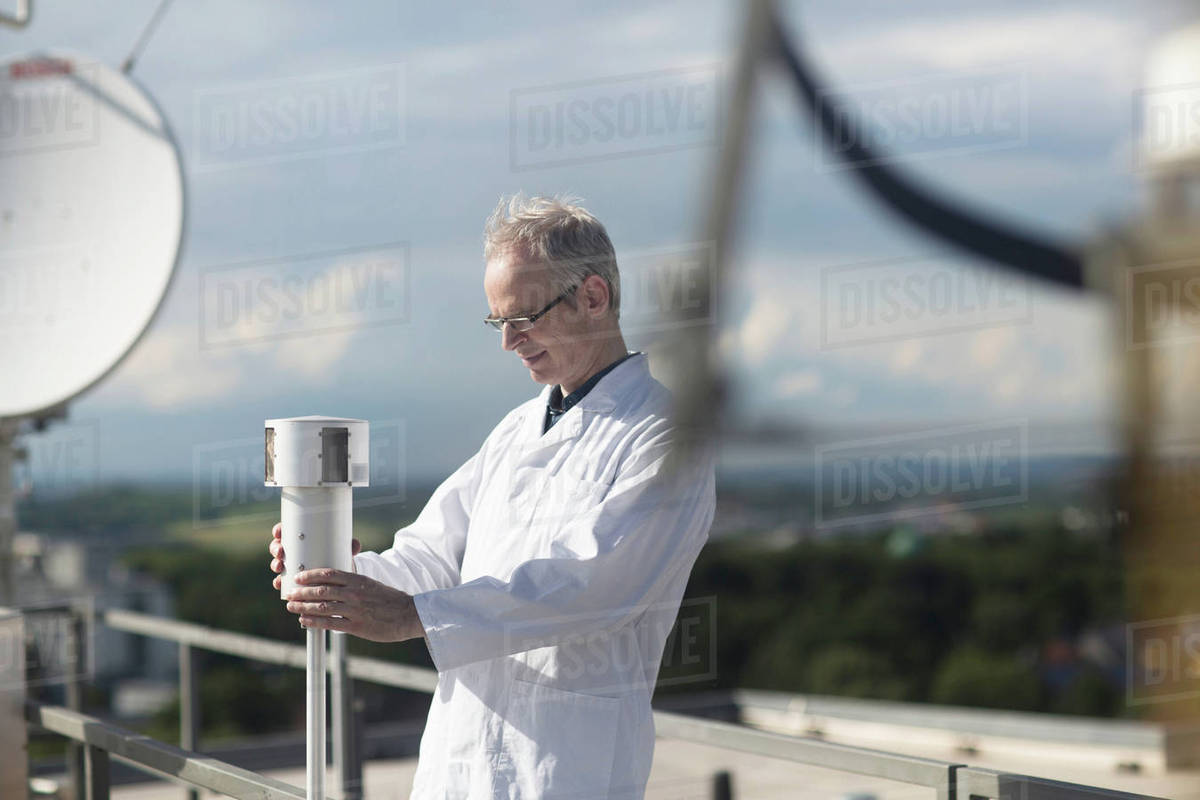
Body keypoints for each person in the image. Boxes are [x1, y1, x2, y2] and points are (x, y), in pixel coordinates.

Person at [268, 194, 716, 798]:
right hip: (461, 757)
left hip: (565, 768)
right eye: (497, 322)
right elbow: (430, 554)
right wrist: (343, 576)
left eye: (523, 319)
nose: (509, 342)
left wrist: (410, 617)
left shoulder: (665, 435)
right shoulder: (514, 431)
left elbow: (591, 588)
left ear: (593, 297)